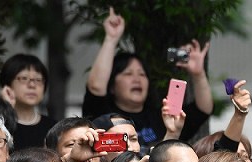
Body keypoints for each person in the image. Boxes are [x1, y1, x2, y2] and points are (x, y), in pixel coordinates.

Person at [83, 7, 213, 146]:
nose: (137, 79)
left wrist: (198, 74)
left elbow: (203, 109)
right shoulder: (103, 115)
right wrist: (111, 39)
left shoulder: (163, 119)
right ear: (112, 86)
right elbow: (96, 87)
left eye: (142, 74)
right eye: (128, 73)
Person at [0, 54, 58, 150]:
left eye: (38, 80)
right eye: (24, 78)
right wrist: (7, 109)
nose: (32, 85)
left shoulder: (53, 128)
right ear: (7, 85)